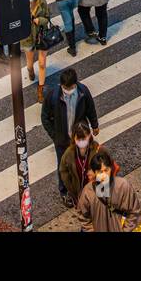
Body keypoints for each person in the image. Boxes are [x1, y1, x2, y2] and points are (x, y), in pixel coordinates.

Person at [41, 68, 99, 206]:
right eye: (65, 87)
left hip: (78, 136)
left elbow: (91, 108)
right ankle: (65, 192)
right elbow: (45, 117)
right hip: (61, 139)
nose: (67, 90)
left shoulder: (83, 92)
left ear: (75, 84)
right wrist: (54, 135)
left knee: (82, 164)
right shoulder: (53, 96)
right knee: (63, 165)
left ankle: (83, 189)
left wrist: (94, 124)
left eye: (70, 87)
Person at [59, 120, 102, 207]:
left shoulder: (96, 148)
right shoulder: (69, 153)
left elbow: (104, 169)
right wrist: (70, 187)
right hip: (79, 192)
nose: (81, 141)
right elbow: (63, 170)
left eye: (84, 138)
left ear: (89, 136)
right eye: (79, 139)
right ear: (74, 138)